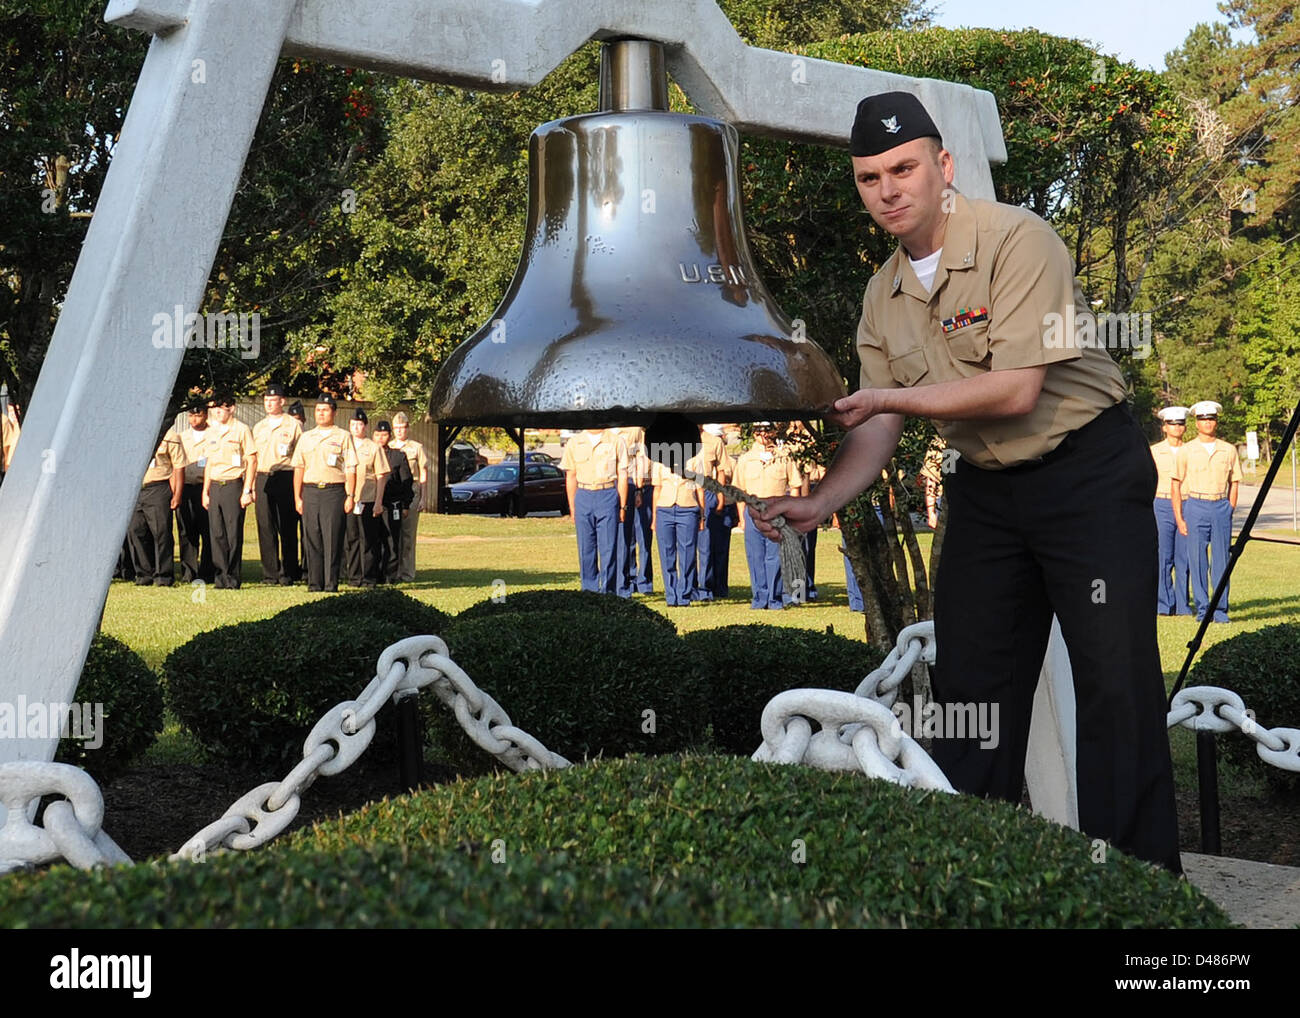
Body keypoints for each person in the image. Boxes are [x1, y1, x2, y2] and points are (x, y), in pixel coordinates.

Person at [754, 91, 1180, 871]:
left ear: (943, 167)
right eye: (869, 176)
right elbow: (879, 430)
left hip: (1087, 473)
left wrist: (885, 396)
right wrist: (820, 498)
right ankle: (974, 876)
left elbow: (1015, 388)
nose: (888, 188)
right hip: (987, 490)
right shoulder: (881, 296)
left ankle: (1140, 886)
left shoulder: (1019, 239)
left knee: (1115, 686)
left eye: (904, 167)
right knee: (972, 699)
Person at [1172, 400, 1241, 624]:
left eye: (1211, 419)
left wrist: (1230, 507)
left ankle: (1220, 610)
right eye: (1203, 419)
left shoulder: (1228, 449)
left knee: (1221, 560)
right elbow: (1175, 484)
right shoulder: (1186, 450)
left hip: (1220, 505)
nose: (1207, 423)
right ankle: (1203, 610)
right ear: (1196, 423)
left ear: (1216, 422)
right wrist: (1180, 517)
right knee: (1198, 561)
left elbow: (1235, 481)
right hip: (1196, 505)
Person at [292, 394, 358, 592]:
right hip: (311, 491)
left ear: (334, 413)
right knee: (312, 537)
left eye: (325, 410)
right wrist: (298, 497)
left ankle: (331, 583)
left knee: (332, 539)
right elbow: (298, 468)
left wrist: (351, 495)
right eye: (318, 410)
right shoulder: (306, 437)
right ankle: (315, 583)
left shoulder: (343, 436)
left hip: (334, 491)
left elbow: (351, 467)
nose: (321, 413)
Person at [734, 423, 802, 610]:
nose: (762, 434)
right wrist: (741, 517)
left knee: (775, 556)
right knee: (755, 556)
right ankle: (759, 597)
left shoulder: (784, 457)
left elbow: (795, 485)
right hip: (753, 511)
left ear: (774, 431)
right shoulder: (746, 459)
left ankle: (774, 598)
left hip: (777, 510)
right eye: (758, 430)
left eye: (766, 430)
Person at [559, 428, 628, 594]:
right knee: (586, 549)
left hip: (607, 493)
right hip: (583, 494)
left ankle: (608, 592)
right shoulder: (575, 442)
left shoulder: (616, 441)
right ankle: (589, 591)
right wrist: (572, 507)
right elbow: (571, 476)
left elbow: (623, 475)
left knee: (608, 548)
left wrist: (622, 505)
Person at [201, 395, 256, 589]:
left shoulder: (241, 430)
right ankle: (220, 577)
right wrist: (205, 491)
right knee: (217, 533)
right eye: (214, 407)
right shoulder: (212, 432)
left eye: (221, 407)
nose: (217, 411)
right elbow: (209, 463)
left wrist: (247, 489)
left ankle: (232, 577)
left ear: (231, 408)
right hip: (215, 485)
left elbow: (251, 460)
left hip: (234, 485)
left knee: (233, 533)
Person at [252, 382, 303, 585]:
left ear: (282, 401)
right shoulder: (258, 427)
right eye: (266, 400)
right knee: (265, 525)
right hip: (263, 476)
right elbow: (253, 457)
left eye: (273, 400)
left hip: (285, 476)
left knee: (287, 525)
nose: (269, 404)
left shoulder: (293, 425)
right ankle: (270, 573)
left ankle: (289, 572)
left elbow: (301, 456)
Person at [128, 419, 187, 585]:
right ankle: (144, 574)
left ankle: (164, 576)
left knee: (161, 533)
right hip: (136, 489)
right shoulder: (135, 434)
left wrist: (177, 494)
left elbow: (178, 466)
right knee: (135, 531)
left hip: (158, 488)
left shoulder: (170, 435)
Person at [651, 446, 706, 606]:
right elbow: (657, 489)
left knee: (688, 552)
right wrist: (654, 517)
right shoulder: (659, 461)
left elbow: (700, 490)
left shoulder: (695, 460)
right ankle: (671, 594)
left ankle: (684, 594)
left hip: (688, 508)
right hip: (664, 509)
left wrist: (702, 516)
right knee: (666, 552)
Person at [1151, 406, 1193, 616]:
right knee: (1163, 556)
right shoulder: (1154, 451)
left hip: (1187, 504)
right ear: (1164, 427)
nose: (1177, 427)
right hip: (1163, 504)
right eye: (1172, 424)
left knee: (1184, 557)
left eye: (1180, 423)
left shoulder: (1191, 450)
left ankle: (1183, 605)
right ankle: (1165, 604)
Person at [343, 408, 390, 588]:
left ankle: (369, 577)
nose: (356, 428)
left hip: (367, 499)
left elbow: (381, 476)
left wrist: (378, 502)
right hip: (348, 500)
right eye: (353, 424)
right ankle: (354, 576)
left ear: (365, 426)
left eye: (359, 424)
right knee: (351, 539)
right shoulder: (344, 445)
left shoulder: (373, 447)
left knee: (368, 539)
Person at [177, 398, 215, 584]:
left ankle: (207, 571)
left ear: (205, 415)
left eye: (197, 415)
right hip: (185, 487)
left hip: (205, 487)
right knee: (187, 531)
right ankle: (188, 571)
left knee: (207, 530)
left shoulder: (214, 435)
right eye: (191, 415)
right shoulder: (182, 437)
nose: (193, 419)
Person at [693, 423, 732, 601]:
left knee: (706, 542)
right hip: (684, 489)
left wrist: (721, 496)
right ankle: (689, 585)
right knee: (685, 543)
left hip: (707, 488)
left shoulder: (714, 441)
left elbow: (721, 470)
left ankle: (706, 587)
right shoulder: (679, 439)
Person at [616, 426, 654, 596]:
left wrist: (639, 487)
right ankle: (627, 578)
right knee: (626, 537)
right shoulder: (608, 430)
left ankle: (644, 580)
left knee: (644, 538)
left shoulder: (636, 429)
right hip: (616, 486)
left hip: (637, 485)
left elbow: (641, 457)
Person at [374, 420, 413, 583]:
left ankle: (390, 575)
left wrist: (405, 504)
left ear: (389, 436)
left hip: (393, 504)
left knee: (391, 539)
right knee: (373, 539)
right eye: (377, 435)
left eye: (384, 435)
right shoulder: (368, 453)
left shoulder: (398, 456)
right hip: (373, 502)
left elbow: (406, 481)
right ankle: (374, 574)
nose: (380, 438)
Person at [391, 412, 428, 582]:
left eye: (402, 428)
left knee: (408, 534)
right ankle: (393, 570)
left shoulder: (416, 447)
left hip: (411, 490)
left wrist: (423, 498)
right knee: (393, 533)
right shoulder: (389, 446)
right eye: (396, 428)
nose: (399, 431)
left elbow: (423, 473)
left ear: (408, 429)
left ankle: (407, 573)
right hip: (393, 491)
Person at [287, 400, 308, 579]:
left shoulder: (310, 439)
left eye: (299, 419)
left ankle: (308, 567)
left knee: (308, 530)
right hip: (289, 483)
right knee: (289, 528)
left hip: (308, 486)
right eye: (293, 418)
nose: (297, 423)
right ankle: (291, 567)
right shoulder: (285, 436)